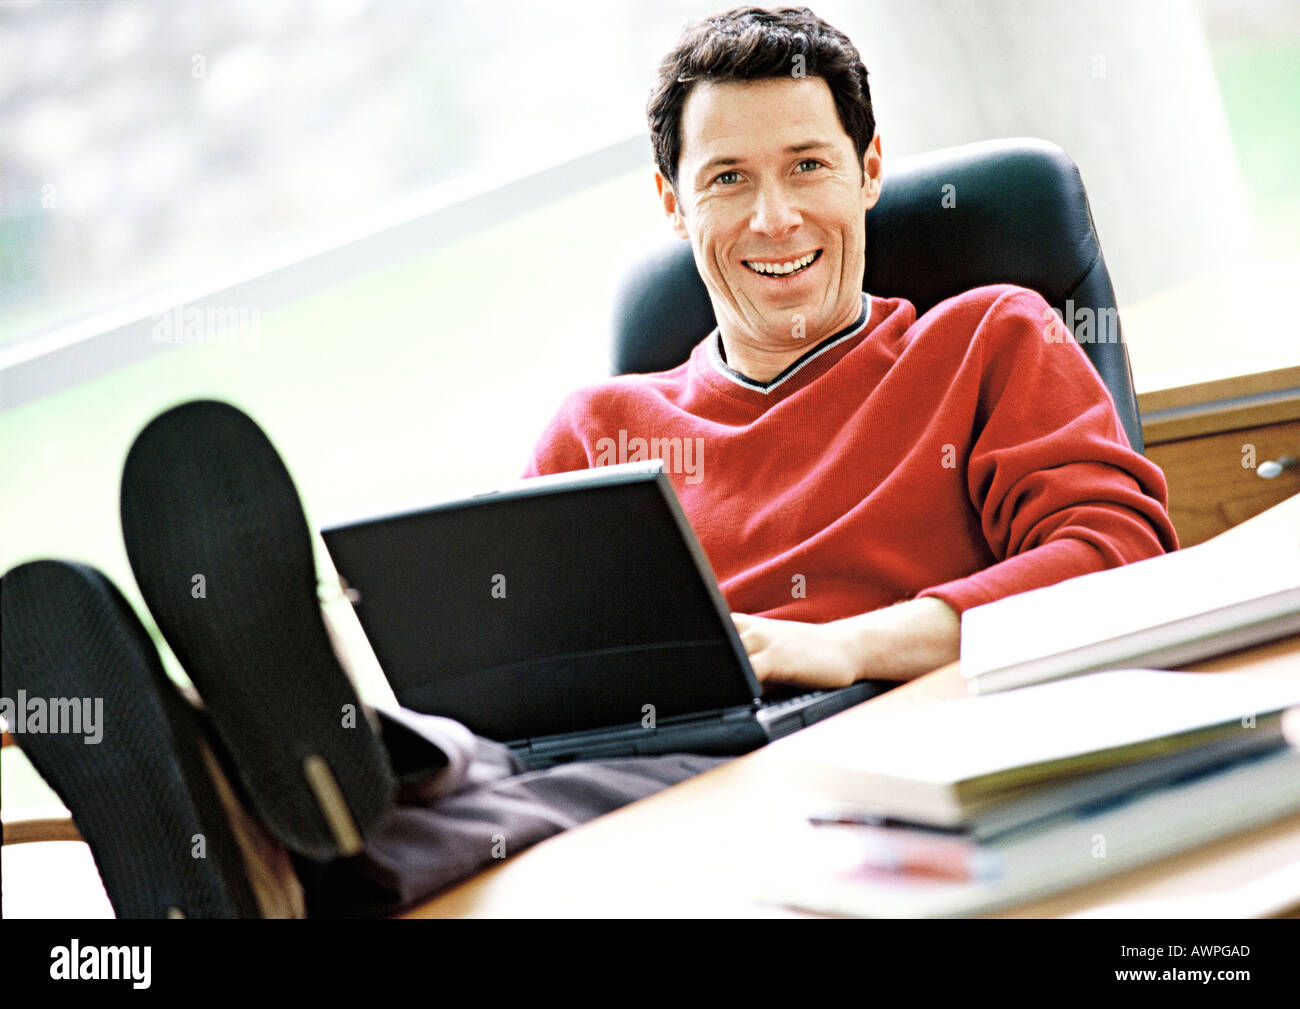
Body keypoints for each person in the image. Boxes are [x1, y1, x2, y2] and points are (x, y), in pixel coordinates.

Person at [0, 6, 1176, 919]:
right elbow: (507, 673)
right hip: (583, 757)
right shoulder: (598, 423)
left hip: (845, 736)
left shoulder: (987, 335)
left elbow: (1116, 557)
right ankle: (276, 784)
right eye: (726, 178)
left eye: (808, 166)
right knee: (490, 753)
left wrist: (835, 644)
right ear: (671, 201)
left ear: (869, 170)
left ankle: (270, 841)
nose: (774, 218)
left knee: (601, 783)